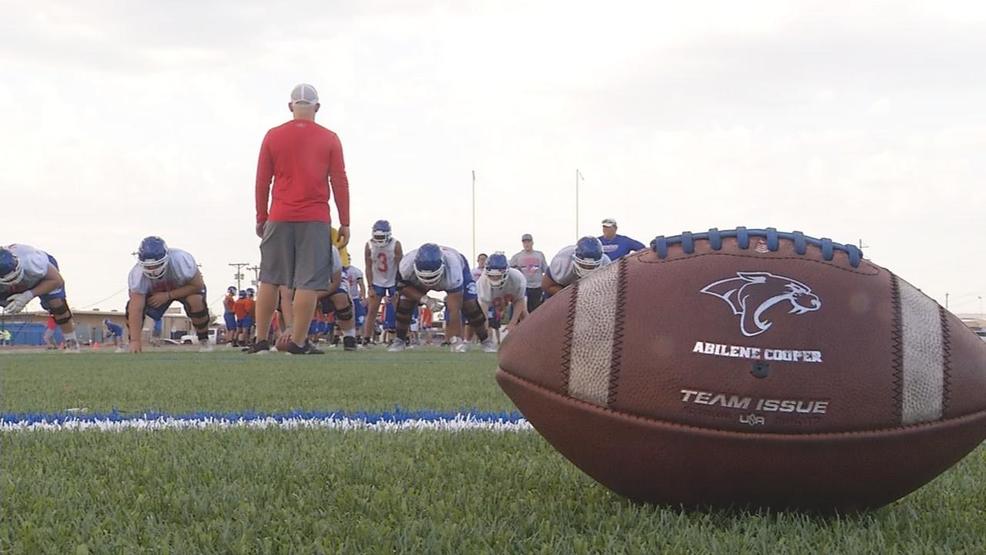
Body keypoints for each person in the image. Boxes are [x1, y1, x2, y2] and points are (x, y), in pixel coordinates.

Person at [251, 83, 350, 355]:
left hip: (280, 214)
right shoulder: (330, 138)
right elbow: (339, 181)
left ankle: (260, 340)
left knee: (270, 278)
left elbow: (262, 181)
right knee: (308, 281)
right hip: (315, 216)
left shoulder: (273, 136)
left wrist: (262, 216)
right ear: (317, 107)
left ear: (290, 106)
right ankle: (298, 340)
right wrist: (345, 221)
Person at [389, 243, 496, 353]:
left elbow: (454, 309)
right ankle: (400, 340)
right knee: (405, 304)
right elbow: (402, 287)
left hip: (453, 271)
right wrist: (426, 300)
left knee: (471, 307)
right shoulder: (406, 264)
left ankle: (485, 340)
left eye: (432, 277)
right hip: (419, 280)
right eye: (426, 278)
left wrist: (456, 339)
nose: (429, 283)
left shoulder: (453, 268)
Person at [126, 236, 212, 353]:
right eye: (148, 266)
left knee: (196, 301)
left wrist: (168, 295)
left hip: (184, 289)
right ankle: (132, 342)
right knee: (131, 307)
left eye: (156, 265)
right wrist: (135, 341)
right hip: (156, 294)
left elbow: (198, 285)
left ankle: (204, 340)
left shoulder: (181, 260)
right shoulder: (137, 274)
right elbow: (136, 308)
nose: (152, 269)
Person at [0, 244, 81, 352]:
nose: (15, 281)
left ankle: (72, 343)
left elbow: (57, 280)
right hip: (4, 285)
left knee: (58, 306)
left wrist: (27, 296)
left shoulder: (32, 261)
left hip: (39, 277)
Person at [362, 220, 402, 345]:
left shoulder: (395, 244)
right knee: (372, 311)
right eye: (377, 236)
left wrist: (400, 285)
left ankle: (402, 338)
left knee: (399, 310)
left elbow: (400, 266)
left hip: (393, 279)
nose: (379, 240)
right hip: (377, 280)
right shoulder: (369, 245)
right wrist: (369, 286)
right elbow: (368, 266)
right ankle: (366, 339)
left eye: (381, 237)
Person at [477, 253, 528, 347]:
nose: (495, 278)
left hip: (511, 292)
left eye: (498, 276)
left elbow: (519, 301)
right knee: (481, 317)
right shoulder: (483, 281)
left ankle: (529, 337)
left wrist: (512, 323)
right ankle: (485, 341)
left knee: (523, 313)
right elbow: (484, 313)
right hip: (492, 295)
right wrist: (484, 338)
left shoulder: (517, 278)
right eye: (492, 276)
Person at [315, 246, 359, 351]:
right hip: (305, 284)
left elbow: (336, 282)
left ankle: (349, 336)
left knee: (341, 299)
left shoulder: (330, 250)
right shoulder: (295, 246)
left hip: (329, 282)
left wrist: (314, 297)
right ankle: (294, 335)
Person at [542, 236, 612, 297]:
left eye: (591, 266)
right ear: (574, 258)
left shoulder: (606, 265)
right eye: (584, 265)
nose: (587, 269)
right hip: (563, 290)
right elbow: (547, 285)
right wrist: (572, 296)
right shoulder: (562, 260)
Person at [509, 234, 549, 314]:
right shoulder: (517, 257)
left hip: (537, 287)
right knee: (522, 310)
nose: (527, 244)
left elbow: (546, 270)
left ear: (532, 242)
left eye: (528, 241)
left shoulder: (539, 255)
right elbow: (511, 272)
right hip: (524, 288)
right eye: (524, 242)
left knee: (536, 311)